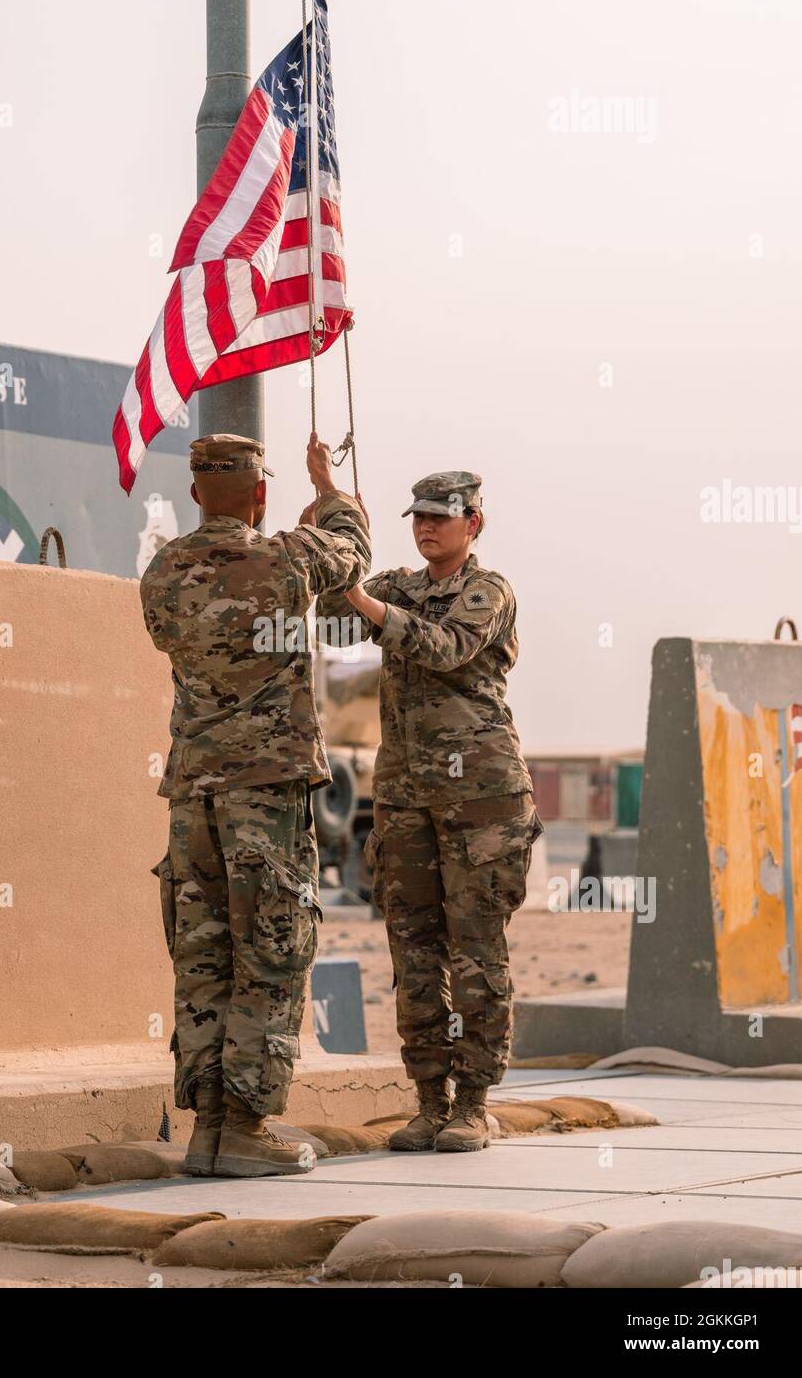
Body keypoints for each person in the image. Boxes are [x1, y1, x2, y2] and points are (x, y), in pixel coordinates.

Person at [140, 431, 370, 1177]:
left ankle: (209, 1129)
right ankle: (243, 1127)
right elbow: (348, 549)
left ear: (197, 491)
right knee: (271, 952)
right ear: (260, 494)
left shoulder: (163, 572)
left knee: (203, 957)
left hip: (192, 796)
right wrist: (329, 490)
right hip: (263, 793)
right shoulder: (283, 560)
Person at [317, 471, 542, 1151]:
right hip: (406, 797)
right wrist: (337, 519)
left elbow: (446, 649)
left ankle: (473, 1103)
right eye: (417, 516)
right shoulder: (395, 587)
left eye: (442, 517)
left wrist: (365, 600)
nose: (426, 527)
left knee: (476, 952)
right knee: (413, 956)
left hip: (482, 799)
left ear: (473, 521)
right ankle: (428, 1100)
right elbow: (331, 620)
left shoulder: (487, 590)